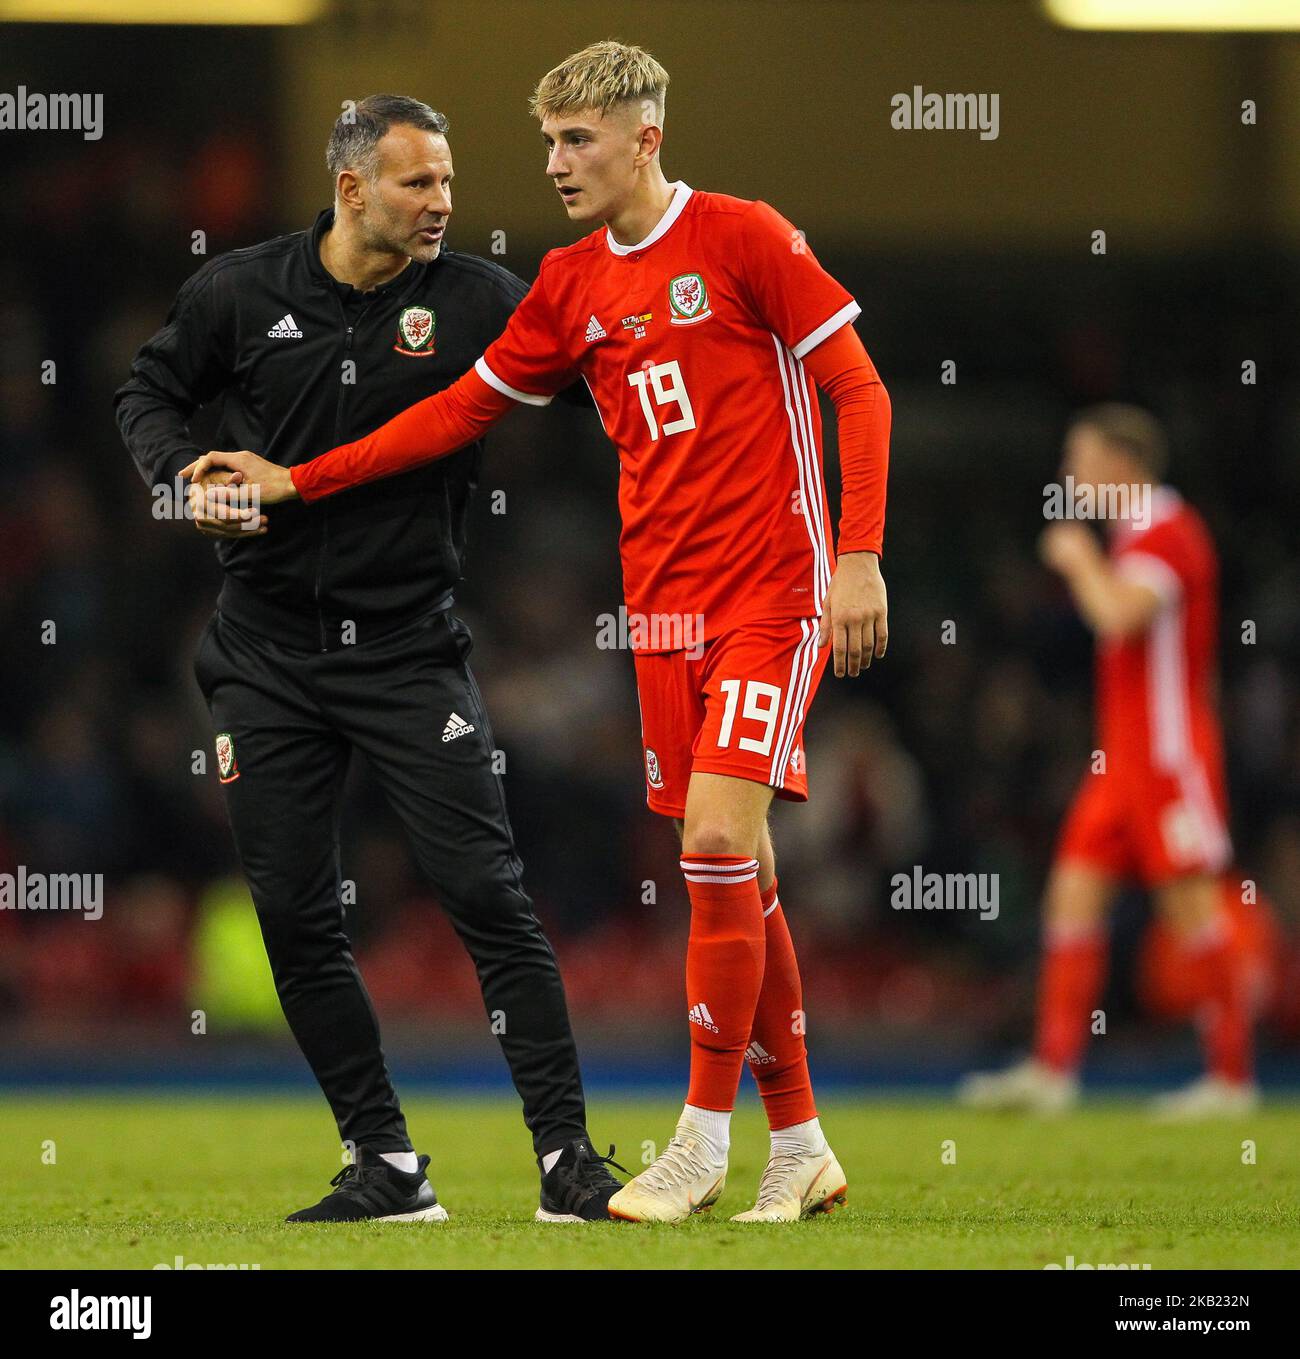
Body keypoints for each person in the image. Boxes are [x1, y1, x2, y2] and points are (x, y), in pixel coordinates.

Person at [187, 40, 892, 1223]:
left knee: (714, 848)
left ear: (644, 139)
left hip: (771, 591)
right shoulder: (566, 285)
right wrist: (297, 481)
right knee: (744, 877)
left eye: (578, 142)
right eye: (550, 142)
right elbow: (454, 411)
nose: (555, 164)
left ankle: (698, 1141)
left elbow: (857, 388)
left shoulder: (744, 237)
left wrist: (859, 555)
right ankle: (802, 1142)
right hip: (660, 611)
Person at [115, 94, 621, 1224]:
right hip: (265, 654)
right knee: (293, 915)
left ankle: (566, 1161)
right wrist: (180, 473)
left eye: (446, 182)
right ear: (351, 189)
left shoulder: (484, 300)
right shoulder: (237, 293)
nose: (443, 203)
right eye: (418, 183)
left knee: (487, 893)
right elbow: (146, 392)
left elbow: (602, 381)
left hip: (408, 650)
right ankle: (383, 1161)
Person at [960, 404, 1259, 1119]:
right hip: (1122, 758)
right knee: (1072, 895)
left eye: (1079, 460)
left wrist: (1077, 558)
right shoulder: (1137, 533)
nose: (1070, 476)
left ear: (1120, 465)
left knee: (1192, 909)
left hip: (1165, 756)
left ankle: (1232, 1078)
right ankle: (1053, 1070)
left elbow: (1121, 614)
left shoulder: (1168, 532)